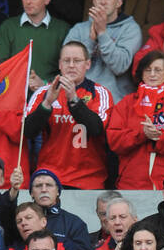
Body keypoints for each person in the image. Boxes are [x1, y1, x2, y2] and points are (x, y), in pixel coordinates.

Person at [24, 42, 113, 188]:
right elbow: (28, 131)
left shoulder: (100, 93)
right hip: (50, 177)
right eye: (66, 60)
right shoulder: (43, 92)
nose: (71, 65)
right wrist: (47, 103)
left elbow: (97, 129)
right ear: (60, 64)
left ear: (88, 64)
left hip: (88, 179)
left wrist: (73, 99)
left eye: (77, 61)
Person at [107, 51, 164, 189]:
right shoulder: (127, 103)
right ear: (141, 73)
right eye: (148, 70)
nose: (152, 74)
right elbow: (114, 140)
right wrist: (141, 134)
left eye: (158, 70)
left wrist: (159, 138)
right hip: (133, 181)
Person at [63, 0, 142, 100]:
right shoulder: (78, 29)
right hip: (80, 100)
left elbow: (119, 67)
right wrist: (90, 41)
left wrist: (102, 34)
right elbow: (67, 66)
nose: (103, 1)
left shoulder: (130, 29)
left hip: (115, 102)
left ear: (119, 3)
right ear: (93, 0)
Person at [0, 0, 69, 88]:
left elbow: (70, 71)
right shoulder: (8, 27)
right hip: (13, 95)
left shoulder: (62, 29)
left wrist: (45, 84)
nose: (28, 2)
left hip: (50, 96)